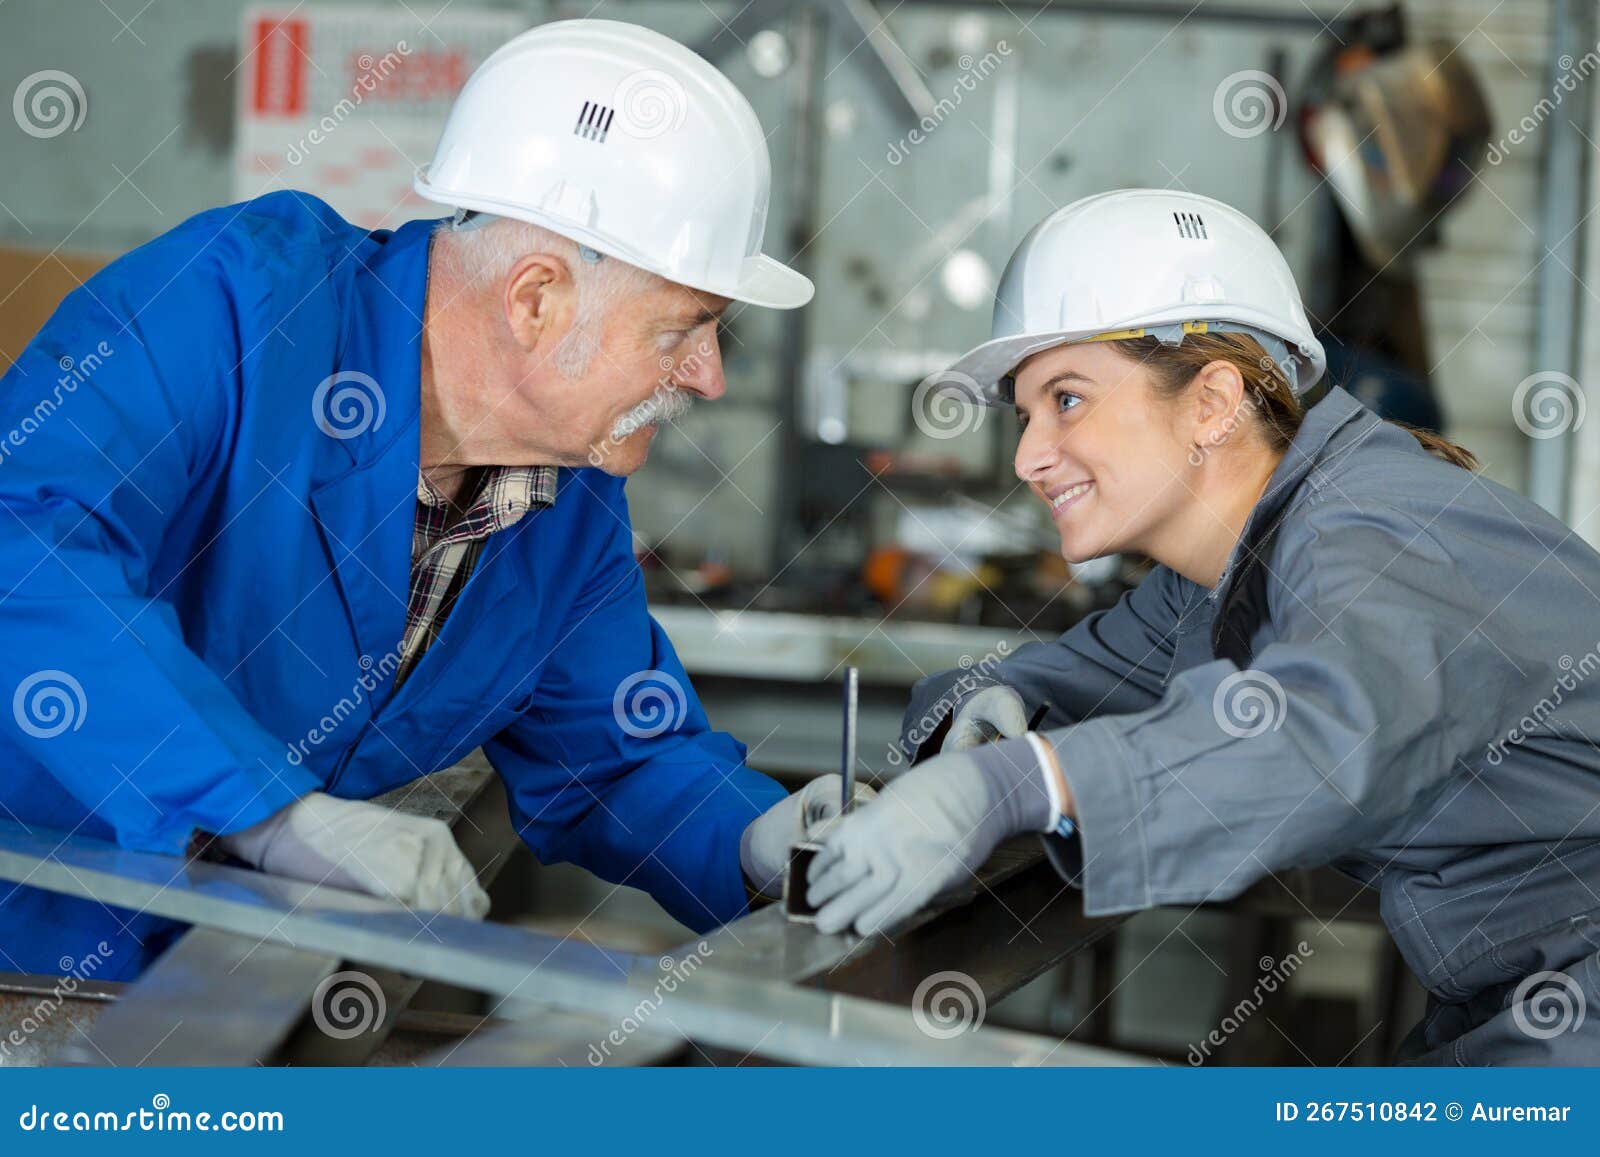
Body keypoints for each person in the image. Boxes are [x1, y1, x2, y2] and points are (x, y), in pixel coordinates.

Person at [0, 19, 863, 980]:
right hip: (31, 941)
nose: (707, 376)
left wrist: (763, 840)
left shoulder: (562, 495)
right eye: (684, 330)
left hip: (230, 988)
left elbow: (615, 757)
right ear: (537, 299)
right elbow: (22, 549)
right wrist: (269, 813)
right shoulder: (236, 303)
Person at [806, 188, 1600, 1064]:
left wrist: (1015, 784)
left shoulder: (1372, 535)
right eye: (1026, 413)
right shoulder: (1233, 565)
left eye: (1067, 400)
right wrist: (977, 723)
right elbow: (1083, 680)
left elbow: (1309, 739)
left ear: (1214, 403)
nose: (1029, 455)